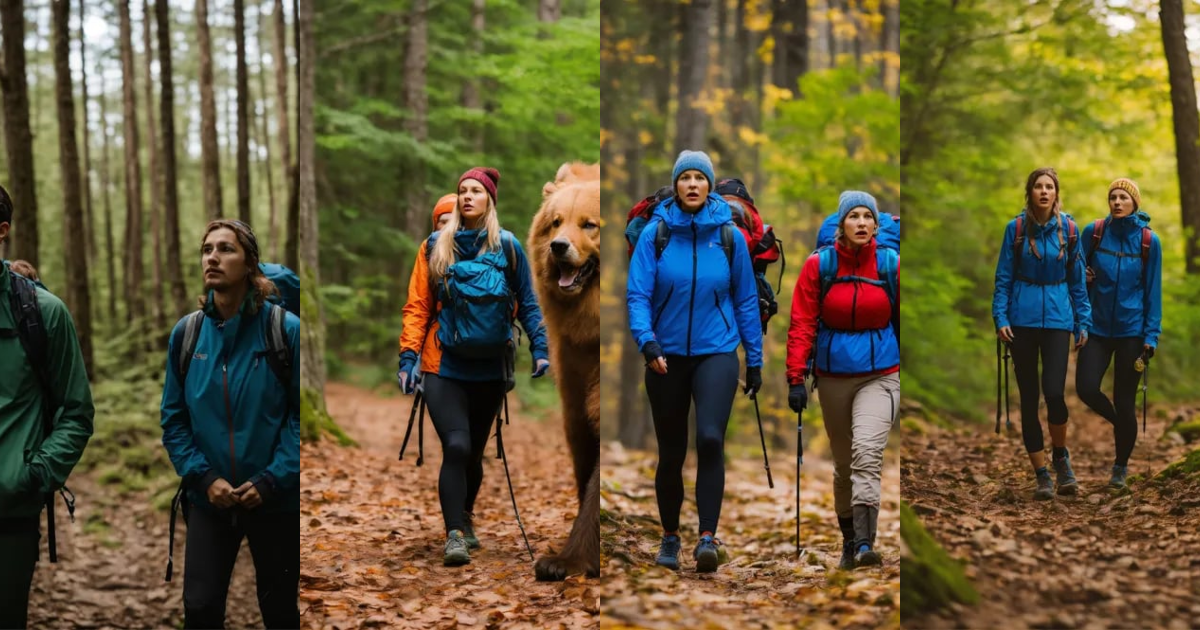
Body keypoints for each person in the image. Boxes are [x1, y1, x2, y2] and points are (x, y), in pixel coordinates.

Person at [397, 167, 549, 567]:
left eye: (476, 191)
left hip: (490, 369)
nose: (467, 197)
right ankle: (453, 535)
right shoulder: (434, 247)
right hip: (442, 364)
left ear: (489, 200)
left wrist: (541, 348)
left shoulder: (509, 247)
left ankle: (464, 516)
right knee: (457, 446)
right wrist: (408, 357)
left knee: (474, 454)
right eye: (462, 190)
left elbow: (529, 302)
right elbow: (418, 306)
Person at [626, 150, 763, 573]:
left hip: (717, 352)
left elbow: (744, 300)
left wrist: (754, 358)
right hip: (664, 356)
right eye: (684, 178)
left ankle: (707, 537)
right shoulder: (656, 233)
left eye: (698, 178)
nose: (691, 185)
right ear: (677, 184)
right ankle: (669, 538)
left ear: (709, 185)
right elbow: (637, 295)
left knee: (709, 440)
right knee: (671, 451)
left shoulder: (729, 236)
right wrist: (647, 343)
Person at [160, 219, 300, 629]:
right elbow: (174, 419)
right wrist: (203, 478)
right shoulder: (187, 334)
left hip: (276, 499)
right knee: (200, 608)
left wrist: (272, 479)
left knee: (279, 610)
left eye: (225, 249)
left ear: (250, 263)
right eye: (207, 250)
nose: (213, 258)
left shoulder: (283, 330)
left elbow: (299, 418)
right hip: (209, 500)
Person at [785, 191, 899, 570]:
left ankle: (866, 543)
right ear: (841, 224)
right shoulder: (820, 265)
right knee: (843, 465)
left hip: (881, 374)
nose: (862, 223)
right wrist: (795, 377)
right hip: (833, 376)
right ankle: (849, 541)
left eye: (869, 217)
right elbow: (802, 321)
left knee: (866, 455)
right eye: (855, 216)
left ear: (877, 225)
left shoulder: (890, 264)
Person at [0, 184, 95, 630]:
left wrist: (34, 474)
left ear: (2, 231)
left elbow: (76, 412)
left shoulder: (42, 312)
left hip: (10, 515)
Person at [992, 167, 1092, 501]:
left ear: (1056, 193)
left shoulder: (1070, 231)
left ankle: (1061, 457)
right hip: (1021, 320)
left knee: (1054, 392)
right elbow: (1003, 276)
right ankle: (1041, 475)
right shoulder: (1016, 229)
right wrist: (1000, 315)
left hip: (1059, 320)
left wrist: (1083, 321)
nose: (1044, 192)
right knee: (1029, 398)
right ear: (1030, 192)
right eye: (1038, 186)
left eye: (1049, 187)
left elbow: (1077, 281)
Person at [1076, 178, 1162, 490]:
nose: (1116, 201)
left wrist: (1151, 336)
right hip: (1096, 328)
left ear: (1134, 203)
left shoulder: (1148, 241)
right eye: (1113, 196)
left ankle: (1120, 469)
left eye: (1123, 197)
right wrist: (1083, 281)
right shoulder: (1094, 233)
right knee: (1085, 388)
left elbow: (1154, 292)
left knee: (1125, 400)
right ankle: (1120, 424)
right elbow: (1075, 277)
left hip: (1132, 331)